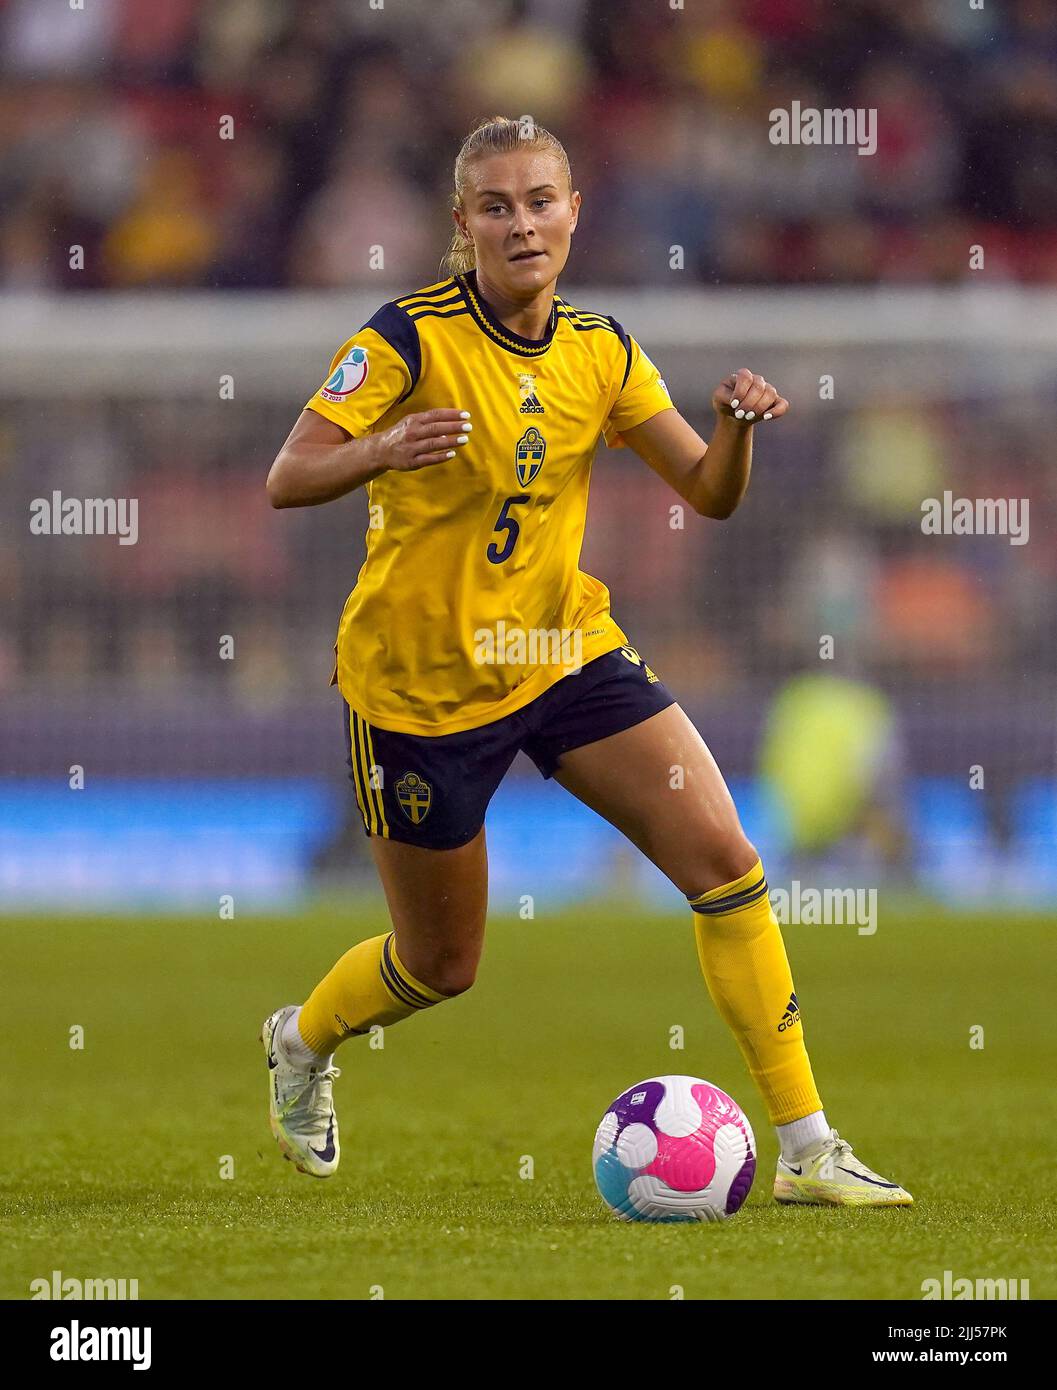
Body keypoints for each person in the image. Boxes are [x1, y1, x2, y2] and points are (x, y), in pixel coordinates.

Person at [263, 115, 911, 1208]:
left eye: (541, 201)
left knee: (724, 859)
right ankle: (301, 1040)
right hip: (419, 689)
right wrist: (384, 446)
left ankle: (807, 1146)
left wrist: (734, 428)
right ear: (461, 226)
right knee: (439, 966)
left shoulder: (601, 349)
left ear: (574, 212)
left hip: (564, 650)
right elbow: (290, 473)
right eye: (497, 206)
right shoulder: (406, 337)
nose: (522, 223)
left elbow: (708, 492)